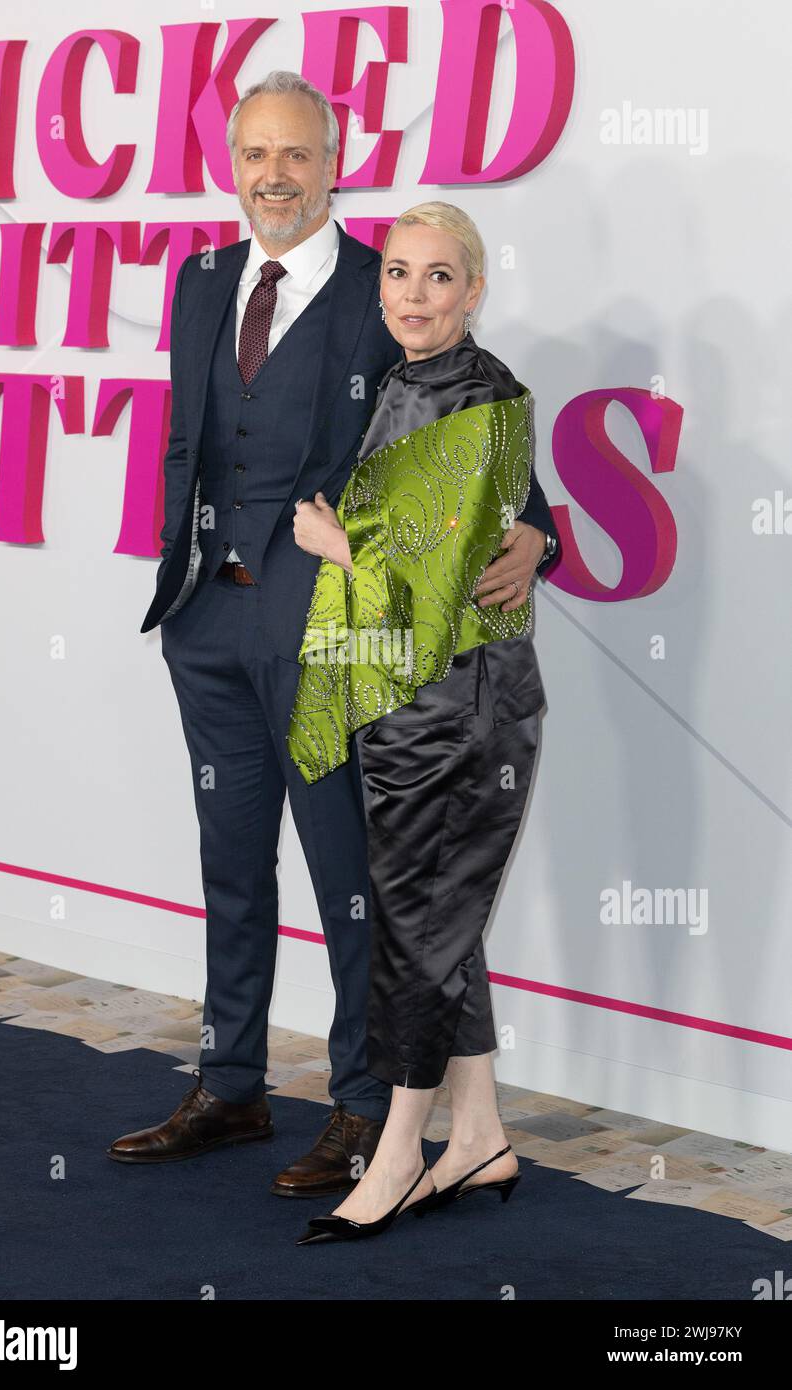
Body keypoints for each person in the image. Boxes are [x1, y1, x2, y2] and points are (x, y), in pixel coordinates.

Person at [108, 74, 559, 1203]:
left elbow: (476, 429)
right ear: (232, 162)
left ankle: (367, 1106)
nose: (273, 174)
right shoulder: (201, 278)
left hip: (331, 636)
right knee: (229, 860)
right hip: (208, 615)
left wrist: (537, 533)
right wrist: (178, 580)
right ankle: (231, 1080)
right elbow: (188, 439)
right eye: (254, 153)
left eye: (295, 155)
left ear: (331, 161)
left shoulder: (383, 282)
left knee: (352, 876)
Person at [289, 202, 556, 1244]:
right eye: (397, 272)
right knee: (433, 921)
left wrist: (338, 546)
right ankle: (479, 1133)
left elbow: (441, 582)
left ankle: (396, 1151)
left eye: (437, 277)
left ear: (473, 289)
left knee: (411, 925)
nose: (410, 294)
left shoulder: (484, 396)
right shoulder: (404, 378)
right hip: (399, 697)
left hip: (462, 711)